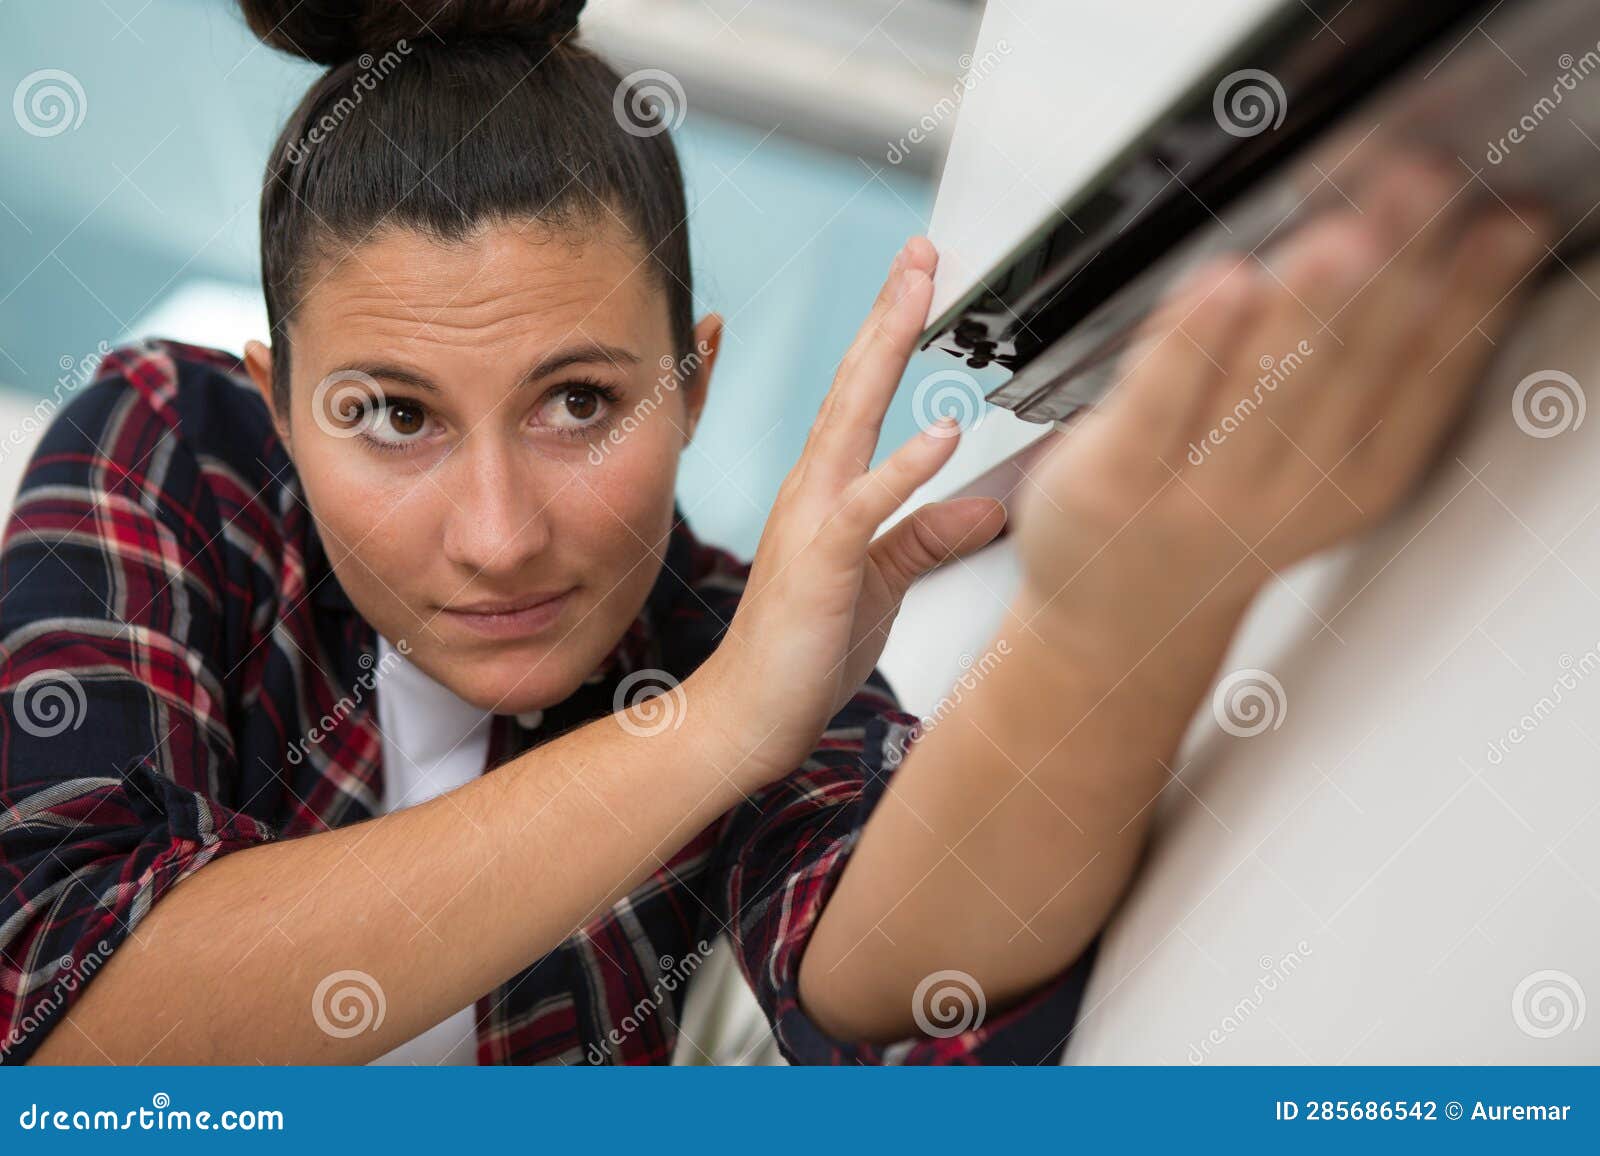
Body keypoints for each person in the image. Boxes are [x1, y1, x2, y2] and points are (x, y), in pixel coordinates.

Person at [0, 0, 1548, 1065]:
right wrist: (712, 731)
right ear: (278, 406)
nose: (495, 535)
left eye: (581, 402)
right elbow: (62, 1023)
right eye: (391, 416)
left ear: (694, 385)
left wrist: (1115, 613)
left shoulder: (723, 628)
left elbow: (890, 993)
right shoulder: (172, 441)